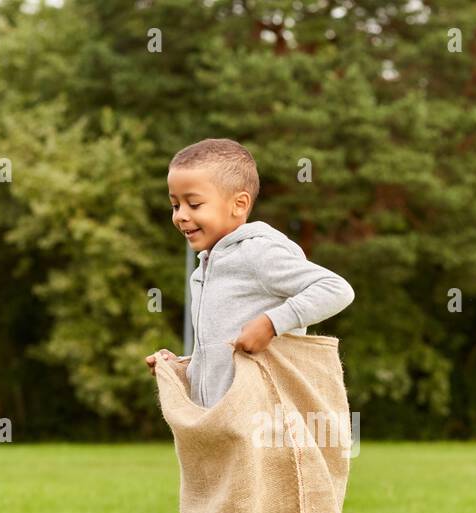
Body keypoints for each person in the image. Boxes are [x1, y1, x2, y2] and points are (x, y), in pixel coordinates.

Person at [145, 138, 354, 406]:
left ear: (239, 204)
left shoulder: (257, 253)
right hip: (222, 424)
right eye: (175, 205)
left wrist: (271, 323)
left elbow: (336, 289)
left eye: (194, 204)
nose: (180, 216)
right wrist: (180, 367)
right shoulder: (202, 273)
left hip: (264, 422)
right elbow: (220, 360)